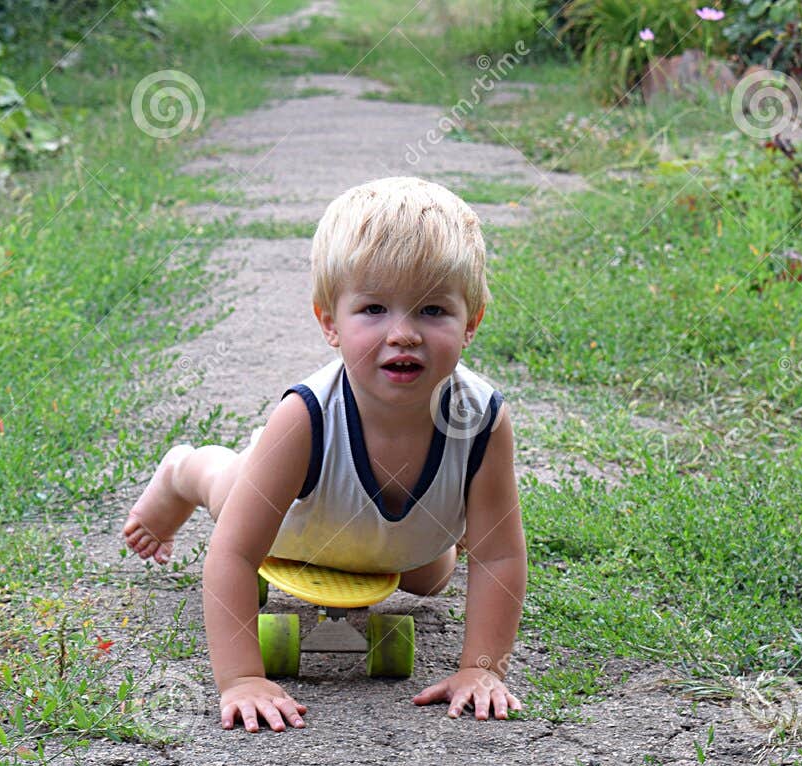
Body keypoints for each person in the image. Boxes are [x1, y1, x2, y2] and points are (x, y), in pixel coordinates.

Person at [121, 176, 526, 733]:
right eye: (375, 309)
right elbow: (235, 554)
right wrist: (242, 678)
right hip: (295, 527)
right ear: (329, 322)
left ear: (472, 321)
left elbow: (499, 555)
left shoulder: (481, 420)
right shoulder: (306, 416)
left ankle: (400, 539)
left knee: (431, 579)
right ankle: (182, 469)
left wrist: (482, 669)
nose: (403, 333)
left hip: (398, 542)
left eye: (433, 310)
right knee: (229, 488)